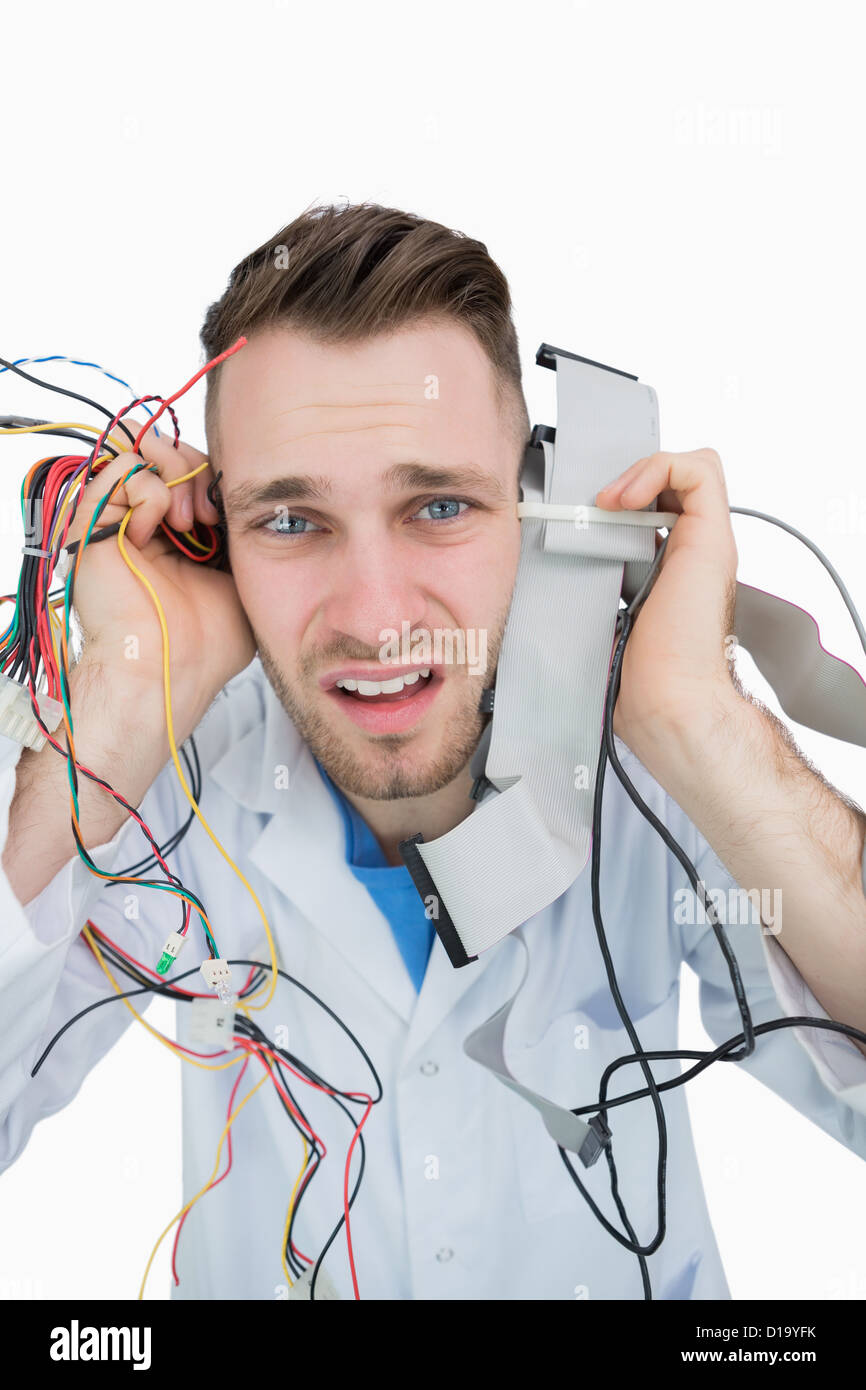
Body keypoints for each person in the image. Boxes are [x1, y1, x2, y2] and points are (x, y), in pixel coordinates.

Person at [1, 200, 865, 1301]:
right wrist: (118, 715)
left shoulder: (654, 751)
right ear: (214, 530)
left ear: (546, 510)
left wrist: (705, 721)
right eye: (289, 519)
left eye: (439, 505)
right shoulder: (173, 772)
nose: (372, 615)